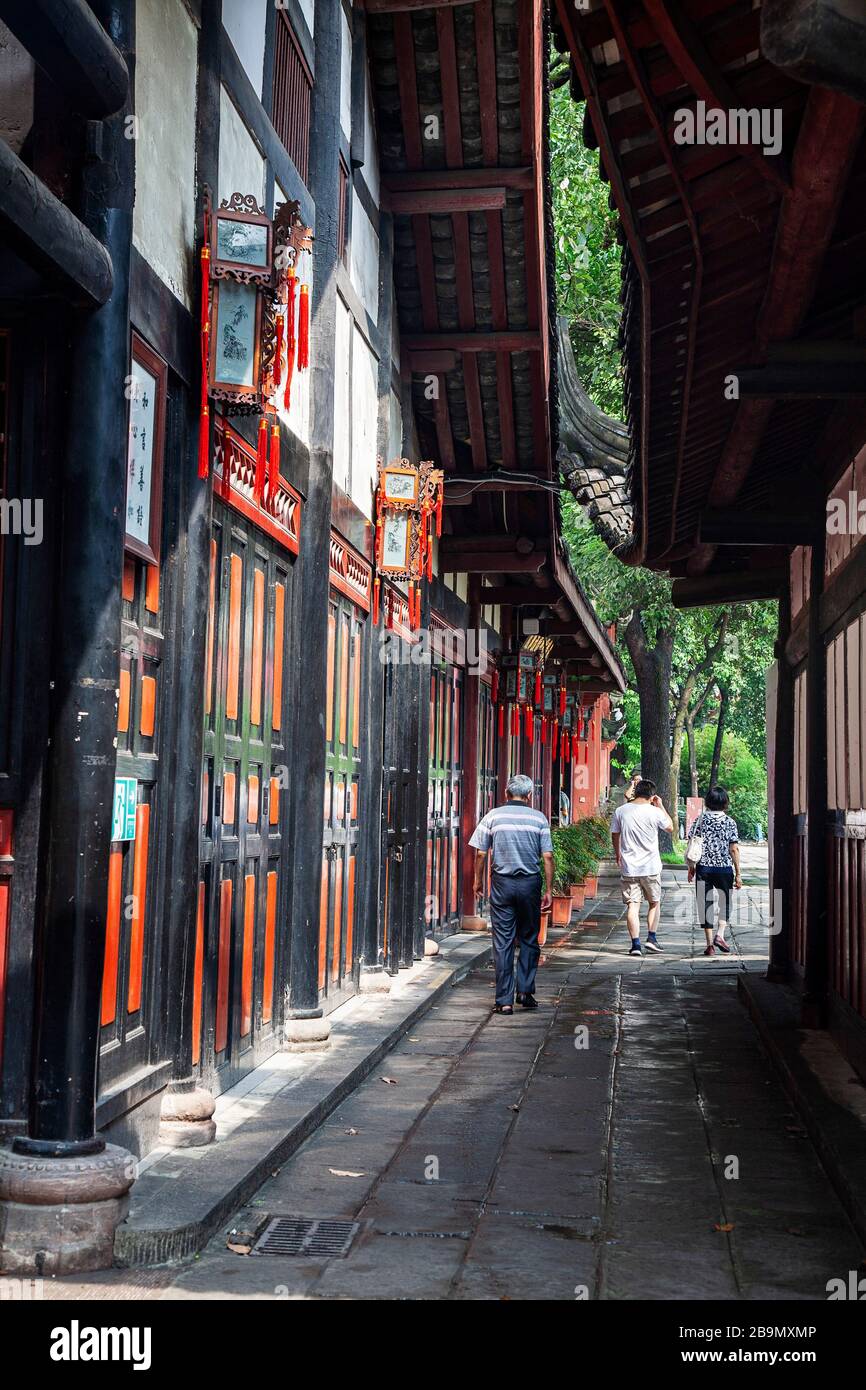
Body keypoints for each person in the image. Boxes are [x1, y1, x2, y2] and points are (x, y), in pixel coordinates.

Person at [469, 773, 554, 1015]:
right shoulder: (539, 819)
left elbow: (481, 854)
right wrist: (548, 889)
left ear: (506, 793)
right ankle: (525, 991)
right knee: (529, 937)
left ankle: (504, 1001)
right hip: (529, 884)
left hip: (502, 884)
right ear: (529, 796)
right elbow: (547, 856)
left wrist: (477, 881)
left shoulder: (493, 816)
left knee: (503, 942)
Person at [610, 778, 673, 957]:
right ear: (652, 796)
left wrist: (618, 854)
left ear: (636, 791)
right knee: (654, 902)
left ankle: (635, 945)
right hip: (651, 867)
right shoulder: (654, 812)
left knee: (633, 905)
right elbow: (670, 827)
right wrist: (660, 806)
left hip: (629, 867)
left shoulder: (621, 811)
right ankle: (651, 939)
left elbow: (615, 835)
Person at [687, 785, 742, 956]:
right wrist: (738, 873)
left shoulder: (700, 820)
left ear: (708, 802)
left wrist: (691, 868)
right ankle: (720, 935)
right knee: (725, 902)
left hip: (704, 868)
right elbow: (734, 849)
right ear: (725, 802)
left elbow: (692, 843)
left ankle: (710, 945)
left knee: (705, 904)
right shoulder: (730, 822)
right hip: (724, 868)